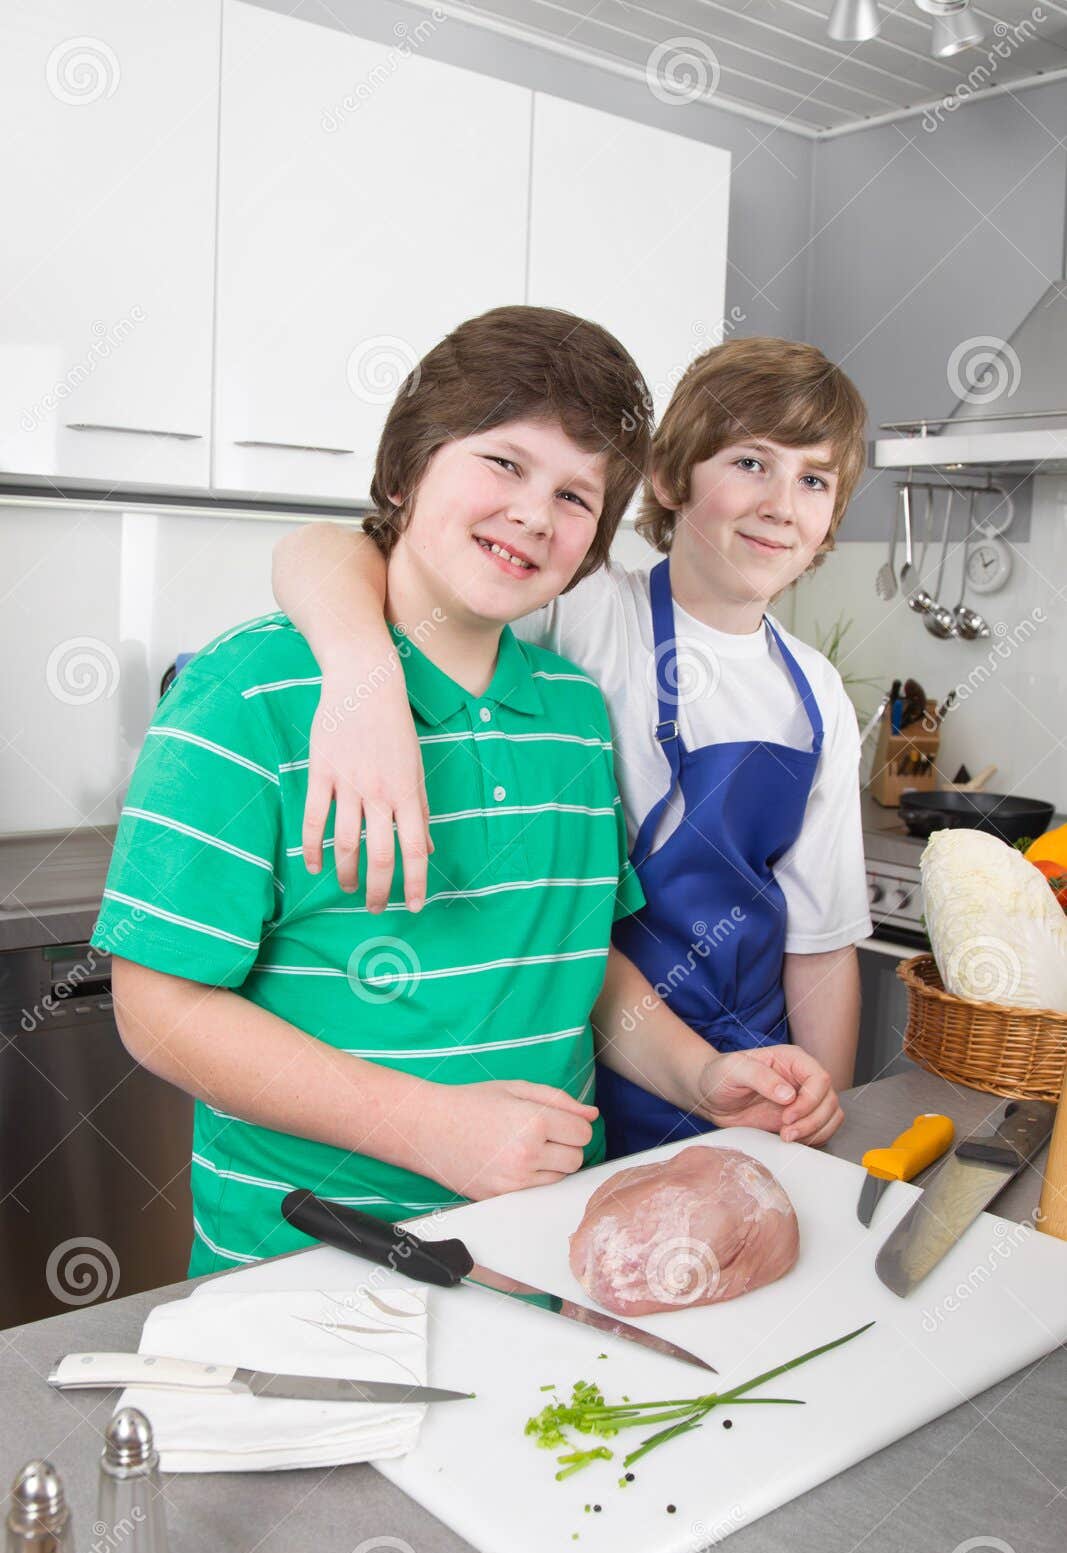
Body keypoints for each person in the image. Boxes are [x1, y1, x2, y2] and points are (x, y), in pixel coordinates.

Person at [92, 309, 841, 1275]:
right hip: (302, 1272)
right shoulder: (248, 695)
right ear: (405, 473)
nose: (535, 513)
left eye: (576, 495)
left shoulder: (572, 713)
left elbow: (580, 965)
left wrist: (699, 1073)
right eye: (503, 464)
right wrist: (425, 1127)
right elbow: (156, 1006)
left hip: (547, 1262)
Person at [271, 335, 869, 1160]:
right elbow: (331, 550)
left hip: (740, 1072)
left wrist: (813, 1124)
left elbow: (821, 938)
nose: (780, 503)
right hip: (564, 1051)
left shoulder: (816, 695)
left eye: (813, 479)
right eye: (749, 463)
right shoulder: (579, 607)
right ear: (668, 477)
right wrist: (357, 673)